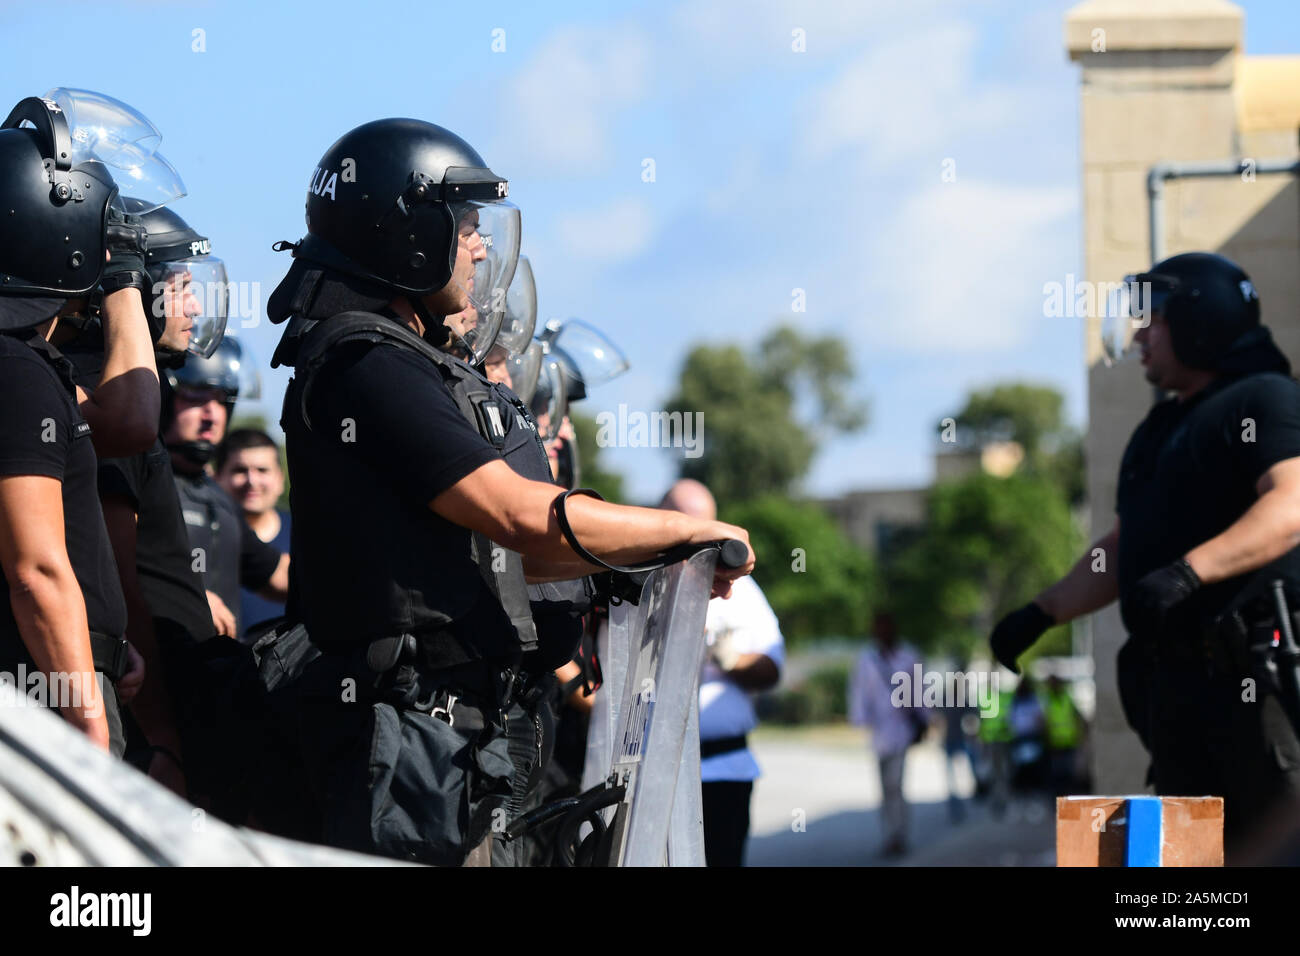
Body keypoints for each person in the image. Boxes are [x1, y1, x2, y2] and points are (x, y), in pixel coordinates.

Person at [264, 116, 753, 866]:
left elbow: (502, 555)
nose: (482, 246)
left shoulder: (407, 360)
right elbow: (515, 517)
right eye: (465, 226)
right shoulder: (368, 362)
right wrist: (680, 530)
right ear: (407, 231)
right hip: (410, 752)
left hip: (456, 743)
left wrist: (635, 564)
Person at [990, 252, 1300, 860]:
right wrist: (1043, 612)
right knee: (1183, 880)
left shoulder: (1265, 399)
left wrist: (1189, 573)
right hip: (1179, 690)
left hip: (1255, 686)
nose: (1136, 336)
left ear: (1198, 319)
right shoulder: (1156, 431)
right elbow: (1122, 547)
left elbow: (1291, 504)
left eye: (1150, 320)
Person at [0, 95, 161, 755]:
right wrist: (87, 719)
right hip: (47, 705)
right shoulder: (19, 369)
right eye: (103, 225)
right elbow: (36, 566)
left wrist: (104, 645)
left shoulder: (25, 365)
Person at [63, 203, 232, 797]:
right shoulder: (109, 400)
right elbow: (121, 577)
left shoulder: (128, 397)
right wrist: (162, 737)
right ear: (137, 289)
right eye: (181, 288)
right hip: (146, 719)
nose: (193, 308)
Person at [661, 478, 783, 867]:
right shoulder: (636, 581)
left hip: (723, 770)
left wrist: (728, 659)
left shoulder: (742, 591)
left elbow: (772, 668)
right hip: (658, 773)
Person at [163, 338, 289, 642]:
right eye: (196, 396)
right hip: (148, 676)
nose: (212, 414)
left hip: (217, 679)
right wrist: (183, 597)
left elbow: (279, 576)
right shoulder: (138, 481)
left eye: (221, 399)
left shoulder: (218, 497)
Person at [849, 611, 927, 857]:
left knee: (897, 785)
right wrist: (860, 720)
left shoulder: (909, 655)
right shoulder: (867, 659)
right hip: (879, 731)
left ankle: (899, 835)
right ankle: (889, 834)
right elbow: (860, 692)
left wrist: (924, 719)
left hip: (901, 728)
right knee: (885, 788)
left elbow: (920, 690)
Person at [215, 429, 291, 635]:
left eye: (262, 470)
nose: (252, 481)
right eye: (239, 470)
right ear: (217, 477)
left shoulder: (307, 537)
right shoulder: (198, 537)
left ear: (280, 479)